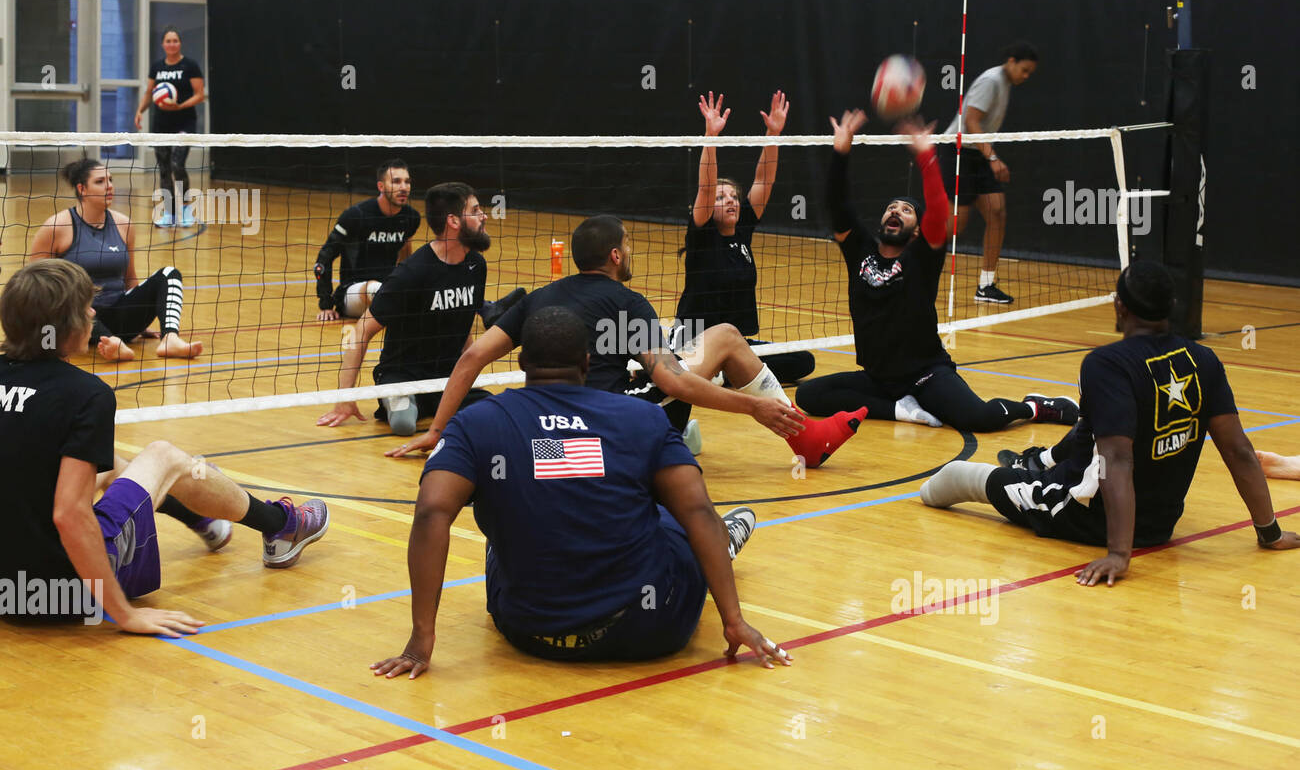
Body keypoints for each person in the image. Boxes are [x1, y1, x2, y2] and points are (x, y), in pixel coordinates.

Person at [370, 306, 793, 676]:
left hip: (532, 630)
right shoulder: (640, 418)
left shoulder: (479, 422)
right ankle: (725, 545)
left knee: (508, 520)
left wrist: (420, 639)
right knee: (670, 516)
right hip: (648, 629)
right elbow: (698, 511)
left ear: (522, 361)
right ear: (587, 363)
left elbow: (430, 514)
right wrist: (734, 619)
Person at [920, 260, 1300, 586]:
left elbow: (1117, 461)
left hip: (1086, 515)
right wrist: (1270, 532)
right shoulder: (1204, 359)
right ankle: (1041, 460)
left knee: (951, 479)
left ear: (1119, 306)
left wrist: (1119, 554)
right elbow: (1239, 451)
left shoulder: (1106, 363)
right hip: (1160, 523)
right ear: (1171, 306)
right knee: (1094, 422)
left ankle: (1033, 466)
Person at [0, 259, 330, 633]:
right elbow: (69, 515)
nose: (93, 313)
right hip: (64, 595)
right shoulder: (86, 395)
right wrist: (125, 614)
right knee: (162, 455)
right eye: (85, 307)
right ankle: (282, 526)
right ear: (66, 325)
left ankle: (200, 517)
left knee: (105, 461)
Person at [386, 215, 866, 469]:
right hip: (610, 428)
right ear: (615, 255)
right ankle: (801, 435)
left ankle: (790, 434)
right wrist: (750, 408)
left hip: (548, 432)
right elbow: (674, 384)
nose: (632, 250)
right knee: (723, 337)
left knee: (706, 346)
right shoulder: (627, 303)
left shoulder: (539, 299)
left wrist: (436, 431)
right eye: (630, 244)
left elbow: (471, 356)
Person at [794, 111, 1075, 432]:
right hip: (879, 378)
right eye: (891, 207)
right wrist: (841, 152)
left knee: (979, 419)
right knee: (809, 394)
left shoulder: (923, 255)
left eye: (907, 210)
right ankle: (901, 410)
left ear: (917, 230)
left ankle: (1035, 407)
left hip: (926, 374)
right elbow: (837, 204)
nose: (896, 211)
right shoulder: (860, 250)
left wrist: (927, 159)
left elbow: (940, 210)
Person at [316, 182, 523, 437]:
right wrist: (345, 397)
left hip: (447, 377)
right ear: (454, 221)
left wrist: (469, 377)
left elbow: (463, 326)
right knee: (404, 424)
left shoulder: (476, 265)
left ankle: (439, 405)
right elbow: (361, 331)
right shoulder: (412, 273)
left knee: (495, 414)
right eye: (475, 210)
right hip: (401, 378)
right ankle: (411, 403)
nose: (484, 216)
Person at [675, 90, 815, 386]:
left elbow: (764, 179)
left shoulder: (742, 232)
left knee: (803, 360)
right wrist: (710, 137)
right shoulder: (702, 234)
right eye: (721, 197)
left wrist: (773, 133)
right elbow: (705, 185)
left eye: (734, 196)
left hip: (735, 344)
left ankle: (720, 371)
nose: (731, 201)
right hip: (694, 339)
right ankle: (702, 368)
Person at [28, 159, 202, 362]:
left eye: (110, 179)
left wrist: (140, 318)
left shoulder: (123, 224)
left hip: (119, 316)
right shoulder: (57, 226)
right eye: (100, 181)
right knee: (71, 302)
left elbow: (130, 278)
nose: (109, 186)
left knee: (169, 273)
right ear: (82, 189)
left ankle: (170, 338)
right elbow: (37, 286)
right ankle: (112, 343)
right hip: (78, 318)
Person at [937, 41, 1039, 305]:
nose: (1026, 77)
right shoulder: (991, 81)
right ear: (1011, 61)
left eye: (1030, 74)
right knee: (954, 225)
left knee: (997, 212)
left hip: (978, 154)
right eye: (1024, 70)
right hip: (959, 151)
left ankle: (985, 285)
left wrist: (987, 156)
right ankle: (912, 269)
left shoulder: (1004, 83)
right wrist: (993, 158)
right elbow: (971, 121)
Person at [313, 158, 421, 322]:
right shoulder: (356, 216)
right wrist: (326, 304)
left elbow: (405, 254)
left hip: (388, 287)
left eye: (407, 182)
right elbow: (324, 258)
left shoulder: (411, 217)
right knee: (375, 289)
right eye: (396, 182)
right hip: (353, 292)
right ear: (381, 186)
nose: (404, 188)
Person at [134, 26, 205, 227]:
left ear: (179, 43)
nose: (172, 44)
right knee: (164, 169)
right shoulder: (157, 67)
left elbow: (200, 94)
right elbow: (149, 92)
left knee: (177, 165)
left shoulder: (190, 66)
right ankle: (169, 214)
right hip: (161, 123)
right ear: (163, 44)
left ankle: (185, 210)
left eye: (175, 40)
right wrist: (140, 110)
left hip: (184, 122)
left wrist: (179, 106)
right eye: (168, 41)